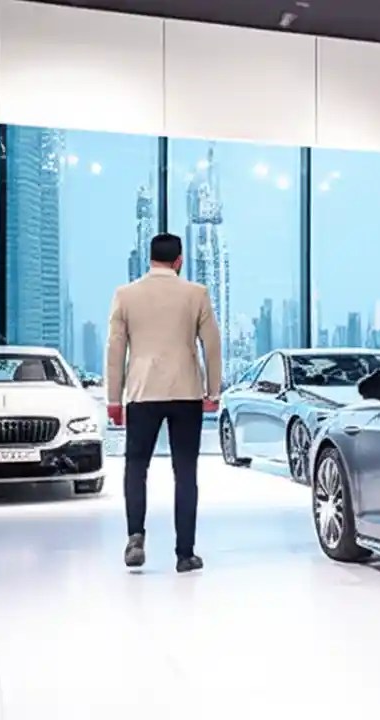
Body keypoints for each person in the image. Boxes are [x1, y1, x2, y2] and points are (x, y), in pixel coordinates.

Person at [105, 233, 222, 573]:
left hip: (142, 393)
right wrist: (213, 392)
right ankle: (185, 554)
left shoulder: (126, 295)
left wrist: (114, 399)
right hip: (185, 393)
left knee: (136, 467)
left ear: (149, 258)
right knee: (185, 473)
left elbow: (115, 352)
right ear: (179, 260)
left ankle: (135, 535)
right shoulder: (195, 294)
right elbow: (211, 346)